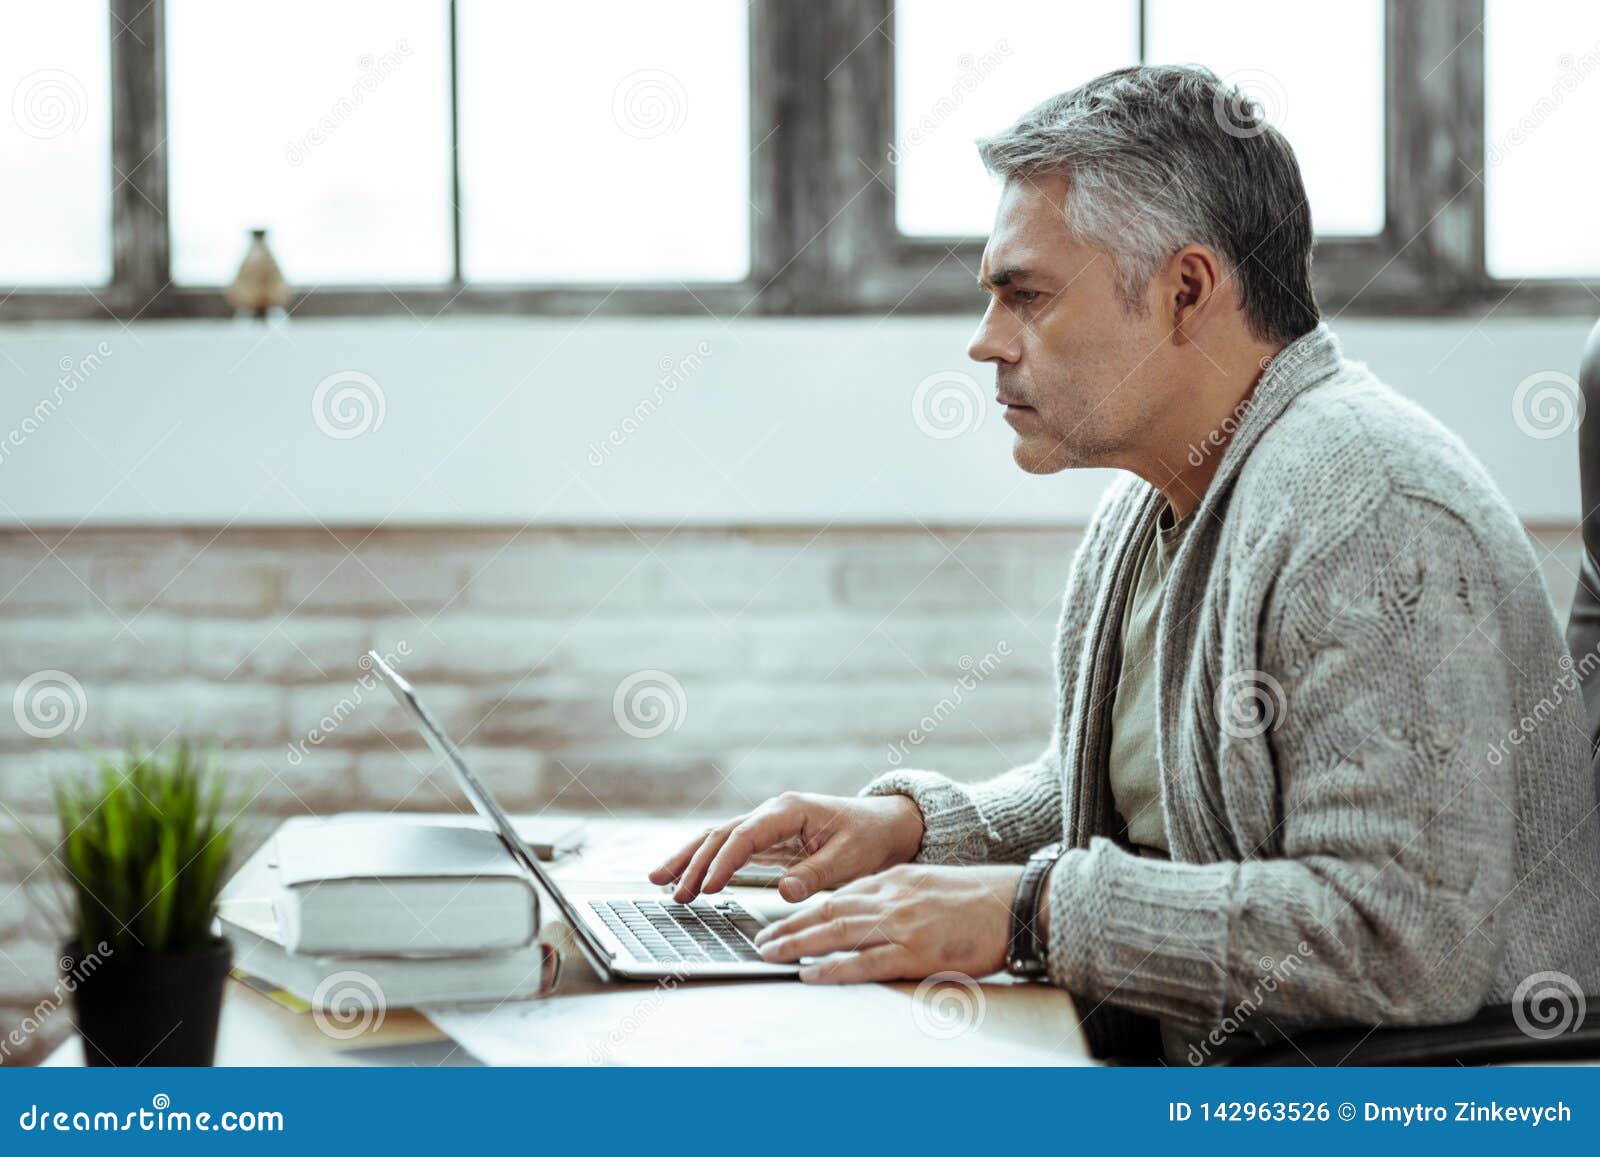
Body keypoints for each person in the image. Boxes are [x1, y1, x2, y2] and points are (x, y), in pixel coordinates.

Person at [651, 64, 1600, 1062]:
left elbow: (1399, 939)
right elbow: (1157, 794)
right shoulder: (1150, 499)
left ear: (1185, 290)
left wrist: (1024, 913)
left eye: (1025, 296)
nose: (984, 342)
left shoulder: (1366, 510)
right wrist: (919, 829)